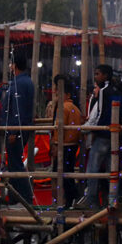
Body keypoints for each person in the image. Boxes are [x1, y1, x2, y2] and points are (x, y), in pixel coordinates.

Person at [75, 64, 122, 209]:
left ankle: (90, 198)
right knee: (112, 170)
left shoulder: (103, 91)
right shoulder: (117, 90)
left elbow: (100, 113)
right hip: (114, 135)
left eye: (97, 74)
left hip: (102, 134)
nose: (95, 77)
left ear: (105, 76)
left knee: (93, 168)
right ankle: (113, 200)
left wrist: (91, 129)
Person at [0, 52, 34, 204]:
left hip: (16, 129)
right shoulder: (24, 81)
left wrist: (14, 131)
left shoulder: (19, 83)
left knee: (16, 165)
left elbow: (18, 109)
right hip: (18, 127)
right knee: (14, 164)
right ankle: (16, 199)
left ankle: (24, 199)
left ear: (14, 65)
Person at [50, 75, 83, 208]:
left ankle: (72, 197)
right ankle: (71, 199)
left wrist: (55, 144)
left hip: (63, 145)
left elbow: (59, 129)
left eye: (59, 91)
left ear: (67, 94)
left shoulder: (63, 108)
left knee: (62, 174)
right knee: (67, 173)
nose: (57, 93)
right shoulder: (75, 107)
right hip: (73, 145)